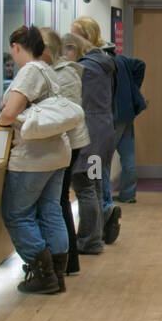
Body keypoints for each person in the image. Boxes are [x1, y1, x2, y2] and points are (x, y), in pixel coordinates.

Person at [0, 24, 72, 296]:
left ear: (16, 47)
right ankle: (57, 273)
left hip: (33, 157)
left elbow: (10, 112)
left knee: (16, 213)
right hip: (57, 153)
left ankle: (42, 272)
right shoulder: (48, 70)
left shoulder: (29, 71)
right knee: (50, 210)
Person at [40, 27, 90, 276]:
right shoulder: (60, 71)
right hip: (67, 142)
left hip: (68, 142)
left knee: (58, 201)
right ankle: (67, 260)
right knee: (59, 201)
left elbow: (60, 113)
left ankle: (66, 260)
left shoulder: (63, 73)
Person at [69, 19, 118, 252]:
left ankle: (89, 240)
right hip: (103, 131)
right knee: (95, 184)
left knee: (85, 185)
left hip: (89, 134)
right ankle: (94, 237)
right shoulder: (105, 62)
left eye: (74, 35)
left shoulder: (85, 68)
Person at [109, 50, 146, 204]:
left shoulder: (99, 64)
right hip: (127, 112)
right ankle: (128, 194)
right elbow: (140, 65)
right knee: (128, 156)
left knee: (100, 158)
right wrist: (134, 88)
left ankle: (100, 196)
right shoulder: (121, 59)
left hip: (111, 115)